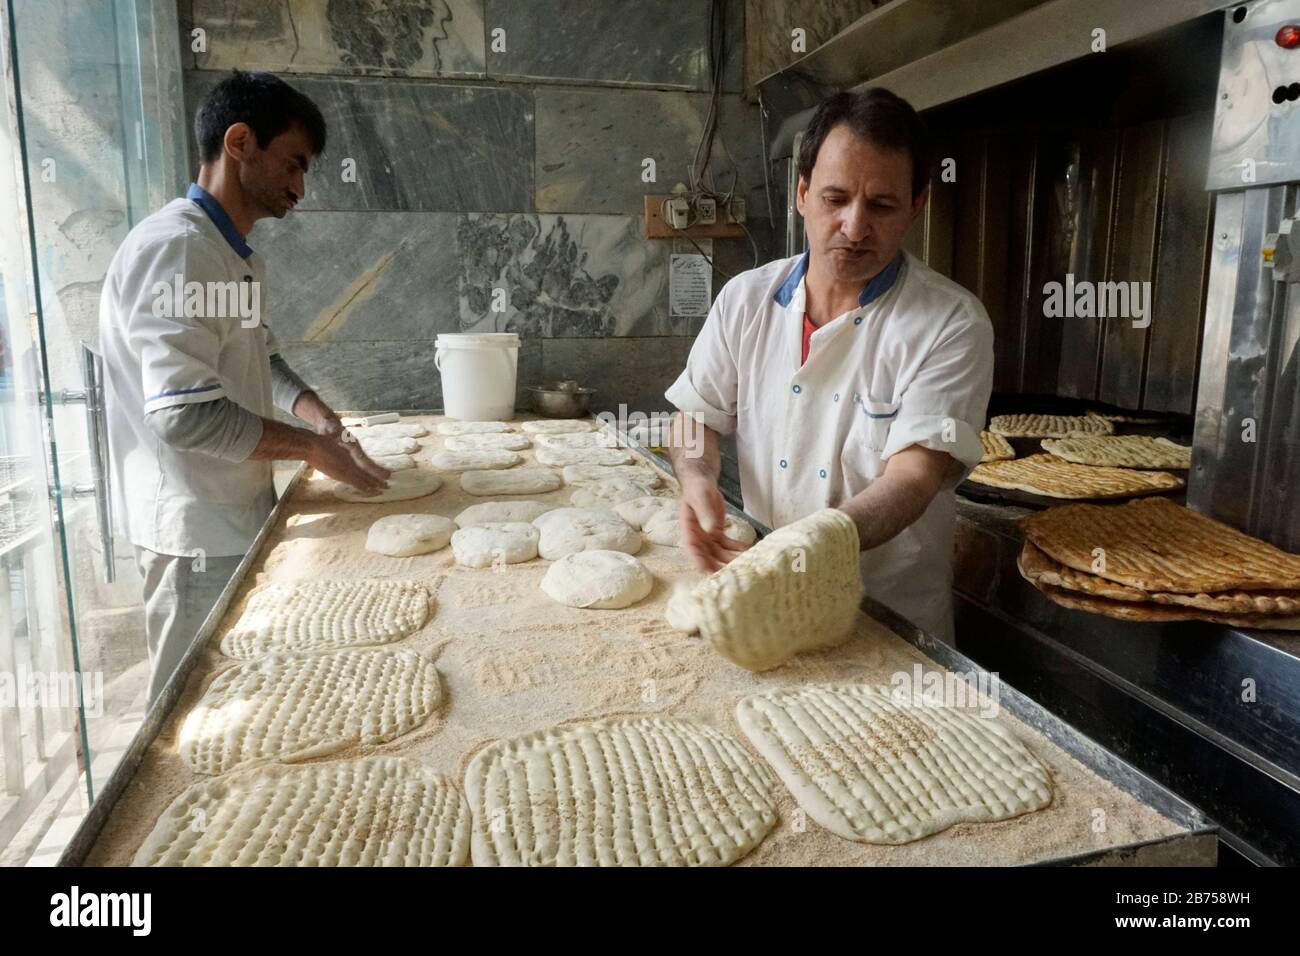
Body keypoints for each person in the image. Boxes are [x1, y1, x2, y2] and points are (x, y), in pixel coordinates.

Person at [99, 70, 389, 704]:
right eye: (293, 164)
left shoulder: (230, 253)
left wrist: (320, 418)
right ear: (239, 142)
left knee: (237, 698)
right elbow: (183, 416)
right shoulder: (177, 250)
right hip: (194, 531)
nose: (300, 187)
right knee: (187, 717)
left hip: (234, 510)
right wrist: (314, 452)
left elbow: (264, 362)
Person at [664, 88, 994, 642]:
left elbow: (915, 476)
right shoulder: (746, 300)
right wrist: (696, 478)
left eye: (882, 205)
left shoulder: (950, 324)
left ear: (917, 206)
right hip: (764, 606)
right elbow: (697, 416)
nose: (855, 226)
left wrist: (815, 541)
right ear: (801, 193)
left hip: (885, 626)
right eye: (835, 198)